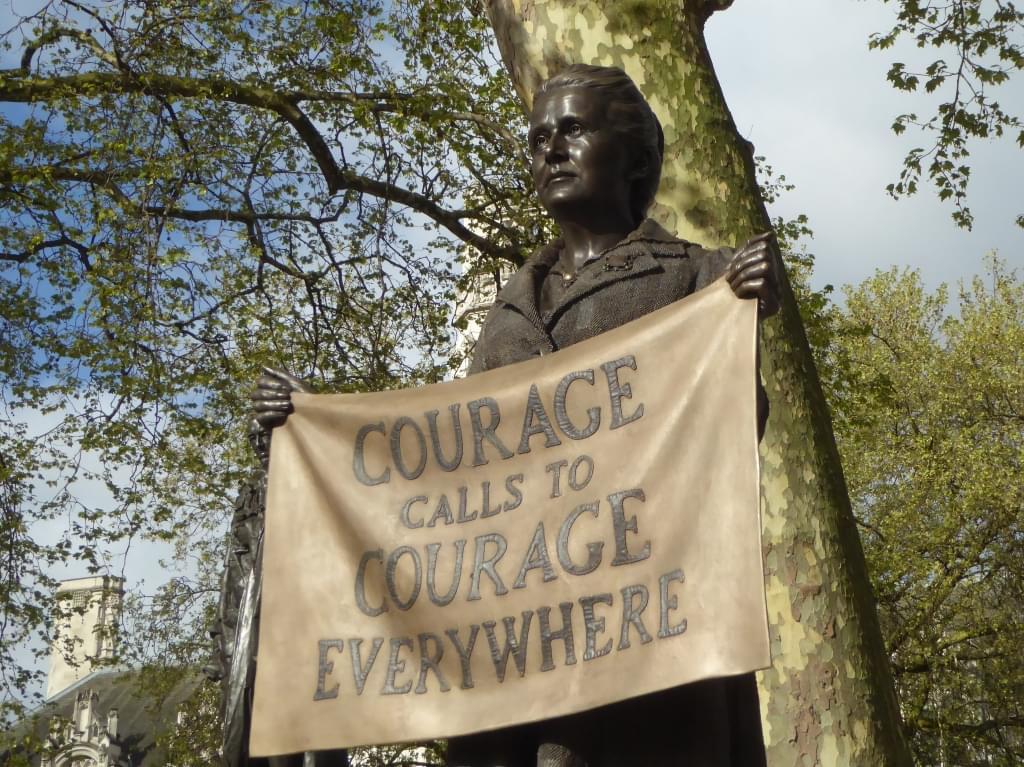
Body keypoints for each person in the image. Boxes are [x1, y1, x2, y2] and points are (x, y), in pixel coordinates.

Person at [252, 64, 778, 767]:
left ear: (636, 157)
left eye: (572, 131)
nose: (549, 150)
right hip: (509, 675)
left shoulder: (693, 276)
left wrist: (740, 316)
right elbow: (446, 473)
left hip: (644, 672)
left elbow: (733, 431)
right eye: (536, 139)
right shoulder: (509, 309)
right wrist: (313, 440)